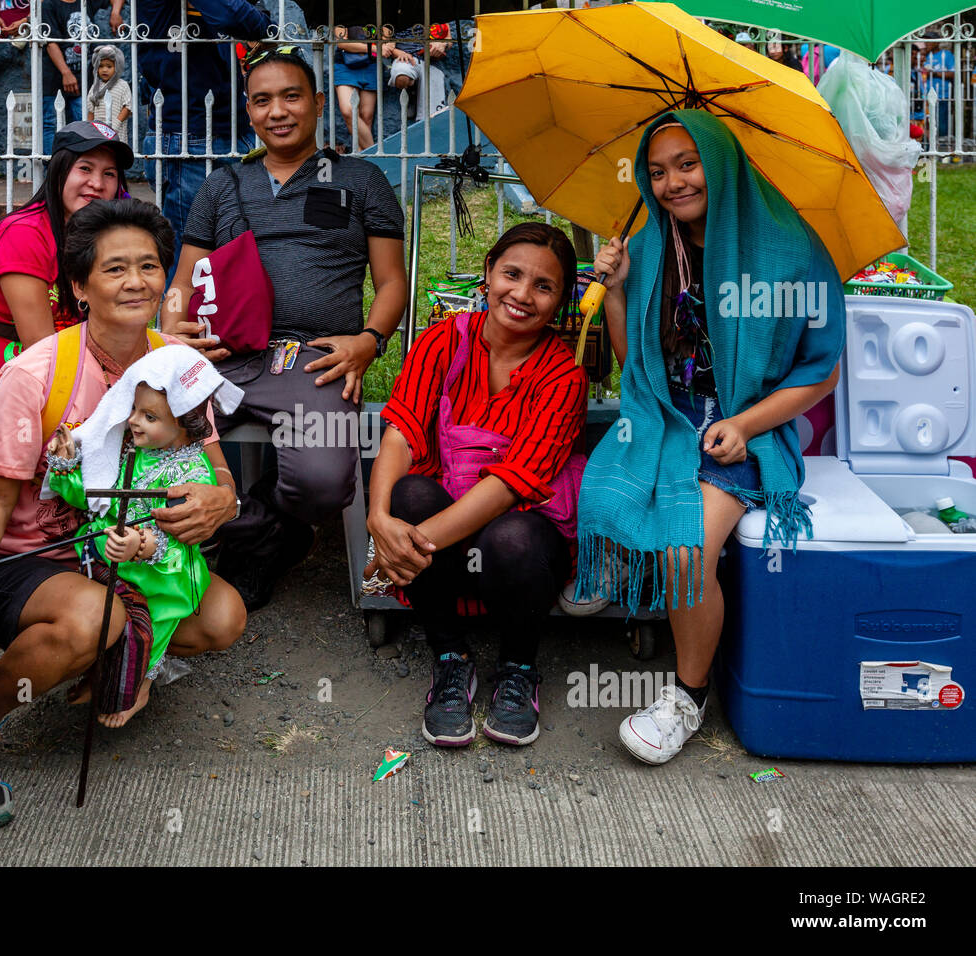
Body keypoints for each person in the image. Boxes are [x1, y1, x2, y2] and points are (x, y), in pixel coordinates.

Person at [0, 198, 246, 831]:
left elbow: (214, 465)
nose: (136, 281)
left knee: (222, 618)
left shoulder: (176, 366)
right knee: (91, 614)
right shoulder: (36, 373)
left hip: (127, 554)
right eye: (114, 269)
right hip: (21, 561)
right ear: (79, 287)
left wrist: (224, 498)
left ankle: (117, 660)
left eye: (148, 265)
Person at [572, 110, 844, 765]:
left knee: (685, 550)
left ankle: (687, 697)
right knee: (604, 492)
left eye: (687, 164)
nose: (671, 183)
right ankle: (624, 560)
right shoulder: (646, 247)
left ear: (719, 164)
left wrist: (747, 425)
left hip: (750, 427)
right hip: (668, 411)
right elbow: (635, 366)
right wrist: (615, 292)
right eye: (657, 171)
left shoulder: (790, 249)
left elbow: (821, 369)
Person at [163, 47, 408, 610]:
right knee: (143, 448)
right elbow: (181, 280)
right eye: (262, 100)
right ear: (248, 111)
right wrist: (173, 330)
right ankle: (260, 530)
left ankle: (272, 525)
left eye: (291, 96)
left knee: (323, 483)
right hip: (220, 357)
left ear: (318, 104)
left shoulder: (360, 179)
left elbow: (391, 282)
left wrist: (369, 343)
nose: (278, 111)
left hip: (312, 359)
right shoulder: (223, 185)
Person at [366, 223, 587, 747]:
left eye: (544, 286)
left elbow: (509, 485)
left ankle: (517, 669)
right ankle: (449, 658)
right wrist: (379, 521)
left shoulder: (563, 378)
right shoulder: (442, 340)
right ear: (487, 273)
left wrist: (406, 546)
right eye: (512, 274)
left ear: (559, 303)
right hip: (441, 559)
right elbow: (399, 433)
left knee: (512, 535)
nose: (522, 295)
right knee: (408, 496)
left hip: (520, 560)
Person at [44, 344, 243, 726]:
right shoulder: (122, 450)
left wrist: (142, 544)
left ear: (184, 424)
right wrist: (68, 461)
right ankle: (102, 668)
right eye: (134, 410)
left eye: (149, 416)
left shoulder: (193, 474)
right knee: (100, 618)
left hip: (159, 573)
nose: (134, 421)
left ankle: (140, 683)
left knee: (154, 620)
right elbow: (91, 495)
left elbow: (181, 536)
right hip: (104, 556)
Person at [0, 120, 133, 441]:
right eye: (85, 169)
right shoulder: (24, 236)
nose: (97, 183)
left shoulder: (100, 240)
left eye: (109, 174)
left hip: (50, 383)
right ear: (59, 173)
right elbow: (42, 353)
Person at [127, 0, 274, 271]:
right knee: (190, 263)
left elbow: (263, 25)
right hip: (186, 132)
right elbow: (234, 17)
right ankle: (175, 315)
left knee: (235, 255)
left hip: (231, 127)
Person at [39, 0, 90, 156]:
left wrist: (115, 12)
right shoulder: (49, 5)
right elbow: (50, 42)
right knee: (50, 124)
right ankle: (52, 169)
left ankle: (80, 167)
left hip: (82, 76)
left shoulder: (86, 3)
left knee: (83, 123)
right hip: (54, 76)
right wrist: (66, 73)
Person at [384, 24, 449, 122]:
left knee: (433, 115)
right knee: (401, 77)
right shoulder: (391, 14)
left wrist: (442, 44)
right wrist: (401, 53)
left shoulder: (436, 10)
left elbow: (449, 39)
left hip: (431, 61)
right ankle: (411, 91)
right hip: (406, 58)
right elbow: (385, 46)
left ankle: (419, 99)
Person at [333, 25, 379, 150]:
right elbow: (342, 43)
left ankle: (364, 162)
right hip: (345, 65)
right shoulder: (346, 11)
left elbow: (387, 42)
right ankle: (375, 157)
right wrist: (373, 48)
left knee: (366, 117)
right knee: (349, 111)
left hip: (370, 66)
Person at [86, 45, 132, 143]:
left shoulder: (122, 85)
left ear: (117, 68)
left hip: (117, 130)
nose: (104, 70)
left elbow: (127, 108)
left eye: (109, 66)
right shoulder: (95, 87)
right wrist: (89, 131)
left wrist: (115, 125)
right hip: (98, 132)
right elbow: (91, 111)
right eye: (101, 66)